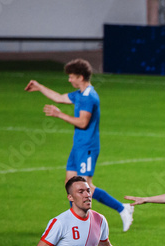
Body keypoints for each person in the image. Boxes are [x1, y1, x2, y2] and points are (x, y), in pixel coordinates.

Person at [25, 59, 135, 232]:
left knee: (85, 187)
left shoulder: (89, 97)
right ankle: (76, 221)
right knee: (70, 183)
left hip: (88, 147)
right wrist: (39, 87)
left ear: (81, 77)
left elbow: (83, 123)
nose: (69, 80)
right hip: (78, 146)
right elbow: (59, 97)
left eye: (72, 76)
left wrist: (59, 115)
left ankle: (122, 209)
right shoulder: (80, 94)